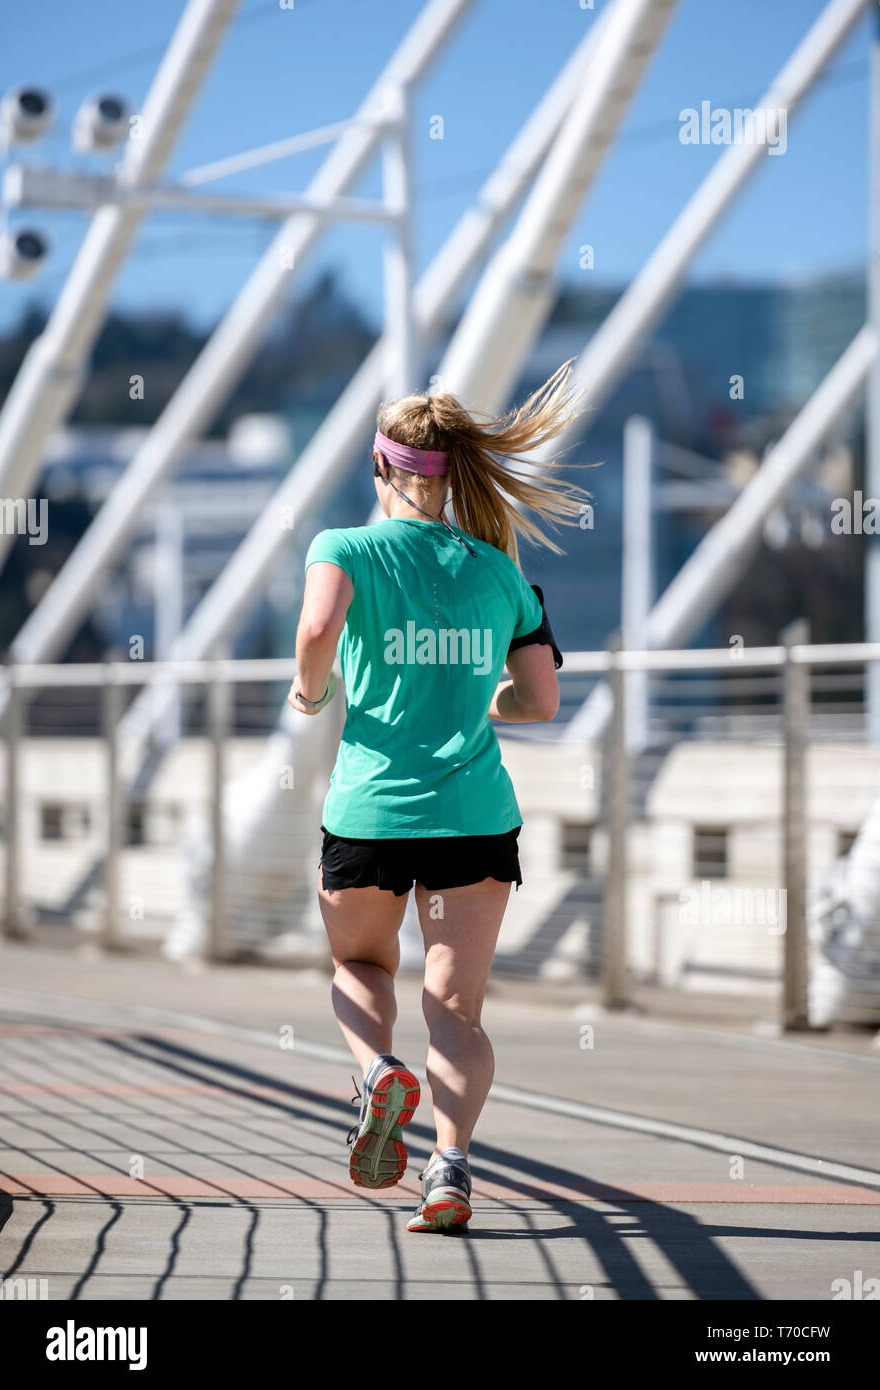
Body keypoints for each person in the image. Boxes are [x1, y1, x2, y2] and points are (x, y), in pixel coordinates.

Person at [287, 362, 588, 1233]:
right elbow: (539, 702)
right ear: (453, 471)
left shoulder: (342, 547)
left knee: (359, 966)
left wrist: (312, 695)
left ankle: (381, 1073)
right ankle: (449, 1171)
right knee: (456, 1010)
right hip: (474, 818)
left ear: (381, 468)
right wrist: (482, 702)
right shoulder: (501, 573)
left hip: (369, 813)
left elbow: (316, 632)